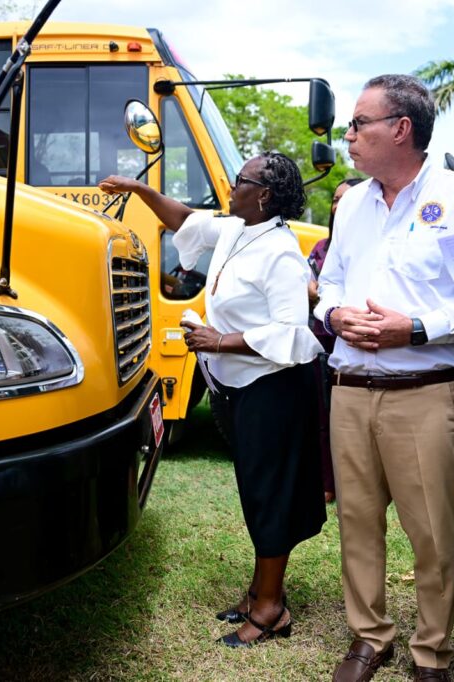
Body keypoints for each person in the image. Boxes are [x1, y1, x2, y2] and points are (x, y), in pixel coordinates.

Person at [313, 74, 454, 682]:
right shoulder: (353, 204)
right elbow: (331, 282)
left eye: (358, 123)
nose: (347, 135)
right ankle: (370, 639)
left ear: (400, 129)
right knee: (357, 526)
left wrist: (417, 328)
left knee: (432, 536)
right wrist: (335, 313)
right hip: (348, 392)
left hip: (423, 396)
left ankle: (431, 654)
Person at [99, 152, 326, 648]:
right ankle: (259, 590)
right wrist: (139, 192)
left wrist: (218, 341)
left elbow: (291, 331)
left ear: (264, 194)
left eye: (240, 179)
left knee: (269, 496)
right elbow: (183, 218)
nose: (230, 184)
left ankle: (271, 609)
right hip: (240, 390)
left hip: (273, 390)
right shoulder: (238, 228)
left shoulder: (282, 253)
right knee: (254, 492)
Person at [308, 178, 363, 504]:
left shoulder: (366, 248)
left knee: (351, 422)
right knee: (323, 417)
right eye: (336, 199)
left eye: (347, 198)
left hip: (353, 345)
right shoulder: (321, 247)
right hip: (322, 343)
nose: (339, 205)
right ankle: (327, 483)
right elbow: (308, 282)